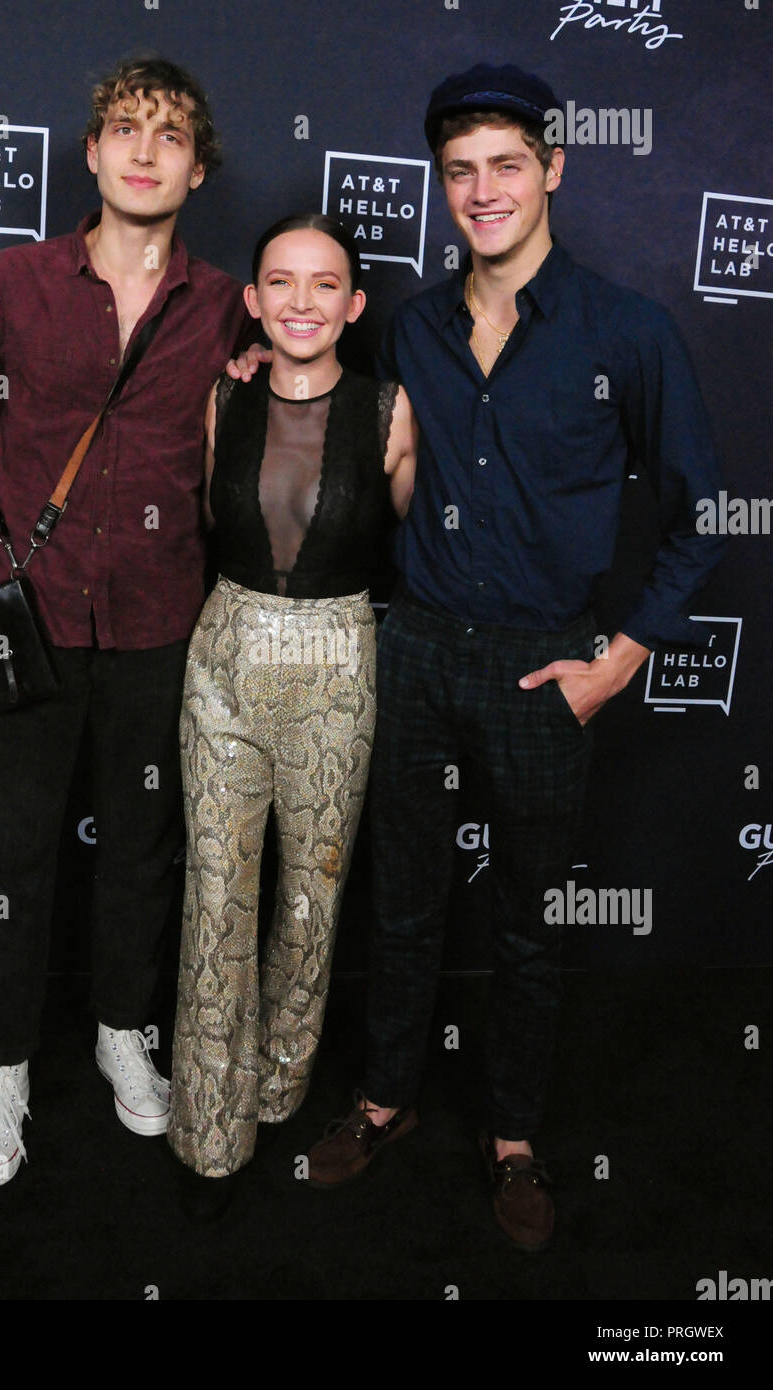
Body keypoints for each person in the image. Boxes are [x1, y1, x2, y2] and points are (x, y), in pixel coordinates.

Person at [299, 64, 725, 1252]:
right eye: (460, 173)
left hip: (548, 666)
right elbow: (344, 419)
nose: (482, 192)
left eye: (506, 166)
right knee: (404, 906)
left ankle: (516, 1138)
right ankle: (385, 1099)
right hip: (420, 649)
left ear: (554, 168)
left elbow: (702, 514)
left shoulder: (627, 331)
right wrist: (255, 376)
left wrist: (619, 658)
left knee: (533, 923)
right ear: (443, 188)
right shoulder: (413, 324)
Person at [0, 54, 258, 1187]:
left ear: (197, 168)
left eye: (169, 135)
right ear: (93, 151)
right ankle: (2, 1067)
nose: (144, 150)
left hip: (165, 625)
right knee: (12, 851)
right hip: (29, 620)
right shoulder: (8, 286)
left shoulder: (223, 303)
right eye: (126, 128)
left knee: (143, 848)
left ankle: (125, 1031)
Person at [166, 214, 416, 1218]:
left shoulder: (391, 411)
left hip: (339, 659)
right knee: (218, 895)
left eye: (326, 285)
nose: (303, 302)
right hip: (226, 652)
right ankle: (211, 1120)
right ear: (255, 301)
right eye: (282, 282)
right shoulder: (221, 399)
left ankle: (281, 1081)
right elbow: (198, 526)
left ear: (355, 305)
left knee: (311, 902)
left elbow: (429, 547)